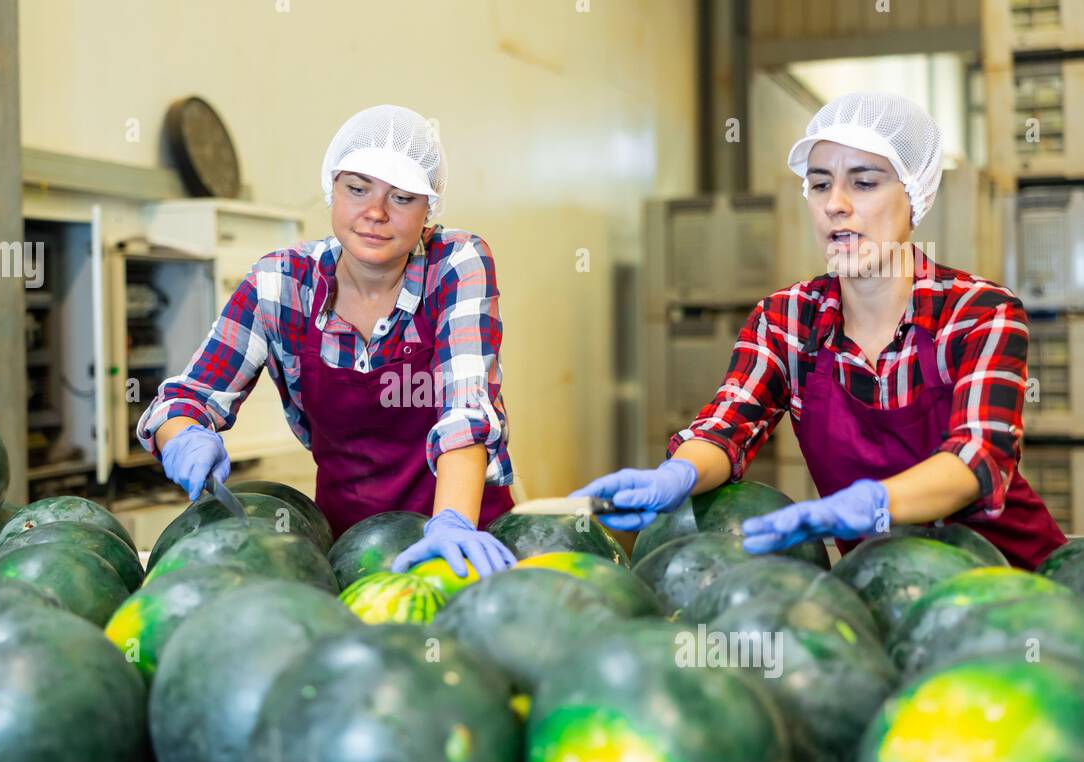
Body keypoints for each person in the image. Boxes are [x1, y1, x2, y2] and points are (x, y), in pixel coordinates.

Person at [574, 92, 1066, 570]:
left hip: (1015, 583)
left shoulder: (978, 313)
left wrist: (876, 501)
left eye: (864, 183)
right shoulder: (787, 320)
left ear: (915, 195)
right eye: (819, 183)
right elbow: (726, 428)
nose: (835, 204)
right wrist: (681, 472)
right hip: (884, 588)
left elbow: (981, 456)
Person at [137, 105, 517, 577]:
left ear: (429, 209)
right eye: (357, 189)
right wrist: (185, 434)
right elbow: (183, 400)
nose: (375, 213)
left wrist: (454, 524)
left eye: (401, 198)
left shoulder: (457, 263)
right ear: (331, 190)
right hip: (347, 550)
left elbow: (467, 407)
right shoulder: (280, 283)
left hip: (463, 540)